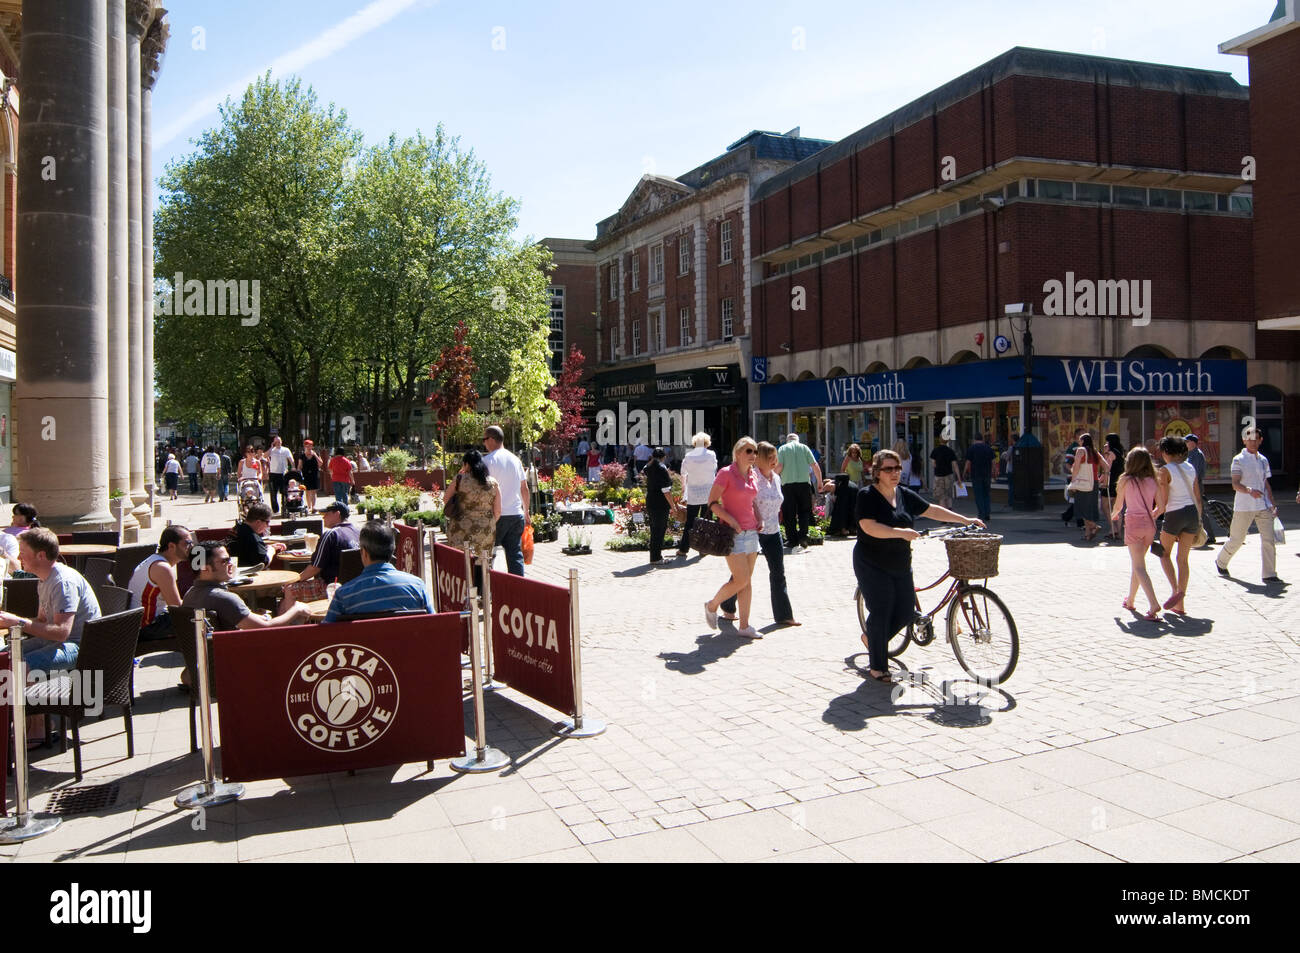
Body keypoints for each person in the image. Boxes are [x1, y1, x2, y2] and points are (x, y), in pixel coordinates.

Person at [854, 450, 982, 684]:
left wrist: (966, 520)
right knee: (882, 610)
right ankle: (878, 667)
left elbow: (932, 510)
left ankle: (871, 638)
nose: (894, 473)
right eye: (888, 469)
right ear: (877, 472)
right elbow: (868, 527)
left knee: (904, 611)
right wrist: (898, 532)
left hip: (900, 561)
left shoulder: (904, 494)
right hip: (871, 561)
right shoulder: (867, 495)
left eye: (897, 468)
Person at [0, 528, 100, 674]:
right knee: (4, 657)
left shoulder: (63, 582)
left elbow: (61, 632)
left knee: (16, 668)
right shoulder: (44, 578)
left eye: (22, 553)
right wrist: (8, 622)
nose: (19, 559)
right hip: (53, 640)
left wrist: (16, 622)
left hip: (80, 646)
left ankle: (23, 696)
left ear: (40, 555)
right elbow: (42, 620)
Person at [721, 441, 797, 626]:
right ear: (759, 459)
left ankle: (784, 615)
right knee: (743, 574)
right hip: (752, 531)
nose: (774, 461)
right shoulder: (751, 477)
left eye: (775, 457)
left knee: (778, 572)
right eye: (769, 457)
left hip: (773, 531)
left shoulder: (776, 478)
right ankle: (727, 604)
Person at [703, 437, 764, 639]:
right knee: (741, 579)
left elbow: (752, 500)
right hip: (733, 534)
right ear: (737, 453)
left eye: (754, 451)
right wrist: (733, 522)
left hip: (752, 532)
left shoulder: (752, 474)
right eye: (748, 451)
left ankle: (745, 627)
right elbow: (712, 503)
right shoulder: (726, 473)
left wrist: (759, 517)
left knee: (747, 582)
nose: (753, 455)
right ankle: (712, 605)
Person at [319, 522, 435, 622]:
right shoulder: (417, 586)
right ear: (392, 550)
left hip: (363, 647)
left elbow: (328, 636)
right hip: (409, 646)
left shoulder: (344, 594)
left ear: (364, 552)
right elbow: (433, 623)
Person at [182, 541, 311, 630]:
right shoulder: (224, 599)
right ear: (206, 568)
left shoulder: (190, 595)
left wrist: (256, 617)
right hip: (239, 659)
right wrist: (296, 609)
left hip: (211, 658)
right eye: (224, 561)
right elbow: (266, 628)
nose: (231, 564)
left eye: (230, 559)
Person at [1215, 428, 1282, 584]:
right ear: (1244, 440)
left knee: (1268, 540)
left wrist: (1272, 504)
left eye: (1256, 439)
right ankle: (1221, 562)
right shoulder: (1238, 460)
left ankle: (1269, 574)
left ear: (1260, 440)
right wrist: (1249, 491)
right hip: (1244, 506)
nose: (1253, 442)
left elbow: (1266, 484)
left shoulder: (1264, 460)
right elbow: (1235, 484)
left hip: (1263, 506)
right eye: (1249, 439)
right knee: (1237, 539)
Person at [1111, 448, 1163, 620]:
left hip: (1133, 523)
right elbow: (1161, 507)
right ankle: (1131, 600)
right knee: (1137, 563)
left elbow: (1118, 506)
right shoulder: (1154, 480)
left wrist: (1114, 515)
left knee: (1139, 566)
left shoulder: (1125, 480)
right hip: (1149, 525)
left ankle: (1153, 603)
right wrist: (1151, 514)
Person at [1155, 435, 1202, 615]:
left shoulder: (1165, 471)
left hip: (1174, 514)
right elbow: (1197, 496)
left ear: (1166, 452)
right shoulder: (1190, 467)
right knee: (1183, 560)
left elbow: (1164, 501)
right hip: (1191, 513)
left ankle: (1175, 591)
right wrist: (1198, 518)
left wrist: (1153, 514)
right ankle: (1180, 603)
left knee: (1164, 554)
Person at [444, 450, 501, 594]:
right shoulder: (492, 482)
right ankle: (481, 593)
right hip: (485, 529)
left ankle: (462, 592)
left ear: (466, 464)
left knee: (462, 560)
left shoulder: (459, 479)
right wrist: (488, 522)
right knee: (482, 561)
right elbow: (498, 510)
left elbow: (446, 500)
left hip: (460, 528)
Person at [128, 524, 193, 641]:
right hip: (148, 627)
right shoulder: (162, 568)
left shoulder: (154, 560)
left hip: (138, 623)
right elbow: (176, 608)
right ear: (171, 546)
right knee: (200, 619)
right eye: (187, 543)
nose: (191, 547)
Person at [483, 425, 529, 576]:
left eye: (484, 439)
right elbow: (524, 487)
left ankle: (487, 588)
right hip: (516, 514)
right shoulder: (515, 460)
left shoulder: (487, 461)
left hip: (496, 515)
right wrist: (526, 512)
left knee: (488, 555)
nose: (483, 443)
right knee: (515, 554)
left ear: (491, 439)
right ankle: (518, 588)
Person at [776, 433, 822, 554]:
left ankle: (792, 540)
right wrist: (819, 482)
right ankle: (803, 537)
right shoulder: (804, 448)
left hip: (787, 485)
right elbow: (815, 465)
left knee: (789, 513)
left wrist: (771, 477)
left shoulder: (782, 448)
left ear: (787, 440)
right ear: (798, 440)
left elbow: (780, 466)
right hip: (804, 484)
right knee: (804, 511)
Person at [676, 432, 718, 557]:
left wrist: (684, 489)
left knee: (690, 521)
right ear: (707, 443)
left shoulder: (689, 456)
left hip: (693, 492)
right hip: (708, 492)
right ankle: (704, 548)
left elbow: (683, 473)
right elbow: (714, 469)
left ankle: (684, 549)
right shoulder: (711, 454)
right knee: (707, 520)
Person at [297, 502, 360, 585]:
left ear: (337, 514)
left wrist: (294, 580)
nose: (323, 517)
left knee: (288, 589)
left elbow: (315, 568)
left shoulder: (331, 534)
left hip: (332, 587)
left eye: (326, 514)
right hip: (356, 584)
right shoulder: (359, 532)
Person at [1071, 433, 1107, 541]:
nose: (1079, 442)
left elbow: (1076, 466)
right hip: (1094, 483)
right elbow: (1106, 466)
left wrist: (1073, 481)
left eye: (1080, 440)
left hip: (1083, 483)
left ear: (1082, 441)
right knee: (1089, 508)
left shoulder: (1081, 450)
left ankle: (1094, 526)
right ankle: (1088, 534)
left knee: (1081, 508)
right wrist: (1102, 478)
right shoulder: (1095, 452)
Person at [1183, 434, 1217, 547]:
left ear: (1193, 443)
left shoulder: (1197, 455)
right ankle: (1201, 535)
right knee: (1196, 510)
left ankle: (1208, 536)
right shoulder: (1190, 454)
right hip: (1191, 485)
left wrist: (1194, 488)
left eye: (1187, 441)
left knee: (1200, 510)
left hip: (1195, 485)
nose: (1186, 443)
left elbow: (1195, 474)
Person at [229, 501, 286, 568]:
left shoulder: (237, 528)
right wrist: (271, 551)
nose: (268, 525)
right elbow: (263, 563)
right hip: (247, 575)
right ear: (258, 522)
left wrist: (266, 548)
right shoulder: (253, 537)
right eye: (267, 522)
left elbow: (248, 549)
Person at [644, 447, 675, 565]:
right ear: (664, 457)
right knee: (660, 530)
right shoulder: (662, 469)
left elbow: (645, 467)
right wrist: (673, 506)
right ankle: (656, 558)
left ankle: (654, 556)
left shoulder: (648, 467)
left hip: (650, 500)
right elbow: (666, 491)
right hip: (660, 503)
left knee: (654, 530)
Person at [963, 433, 997, 523]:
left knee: (979, 495)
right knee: (986, 494)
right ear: (982, 439)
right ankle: (987, 513)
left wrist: (964, 472)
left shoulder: (972, 448)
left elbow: (968, 462)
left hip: (976, 474)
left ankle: (981, 513)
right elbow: (993, 461)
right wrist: (994, 471)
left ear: (975, 439)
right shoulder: (988, 448)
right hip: (987, 474)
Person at [1102, 434, 1125, 540]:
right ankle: (1118, 531)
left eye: (1107, 442)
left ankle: (1113, 528)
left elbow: (1107, 469)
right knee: (1117, 507)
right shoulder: (1121, 452)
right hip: (1119, 482)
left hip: (1111, 483)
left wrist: (1103, 481)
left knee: (1105, 506)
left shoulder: (1111, 453)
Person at [929, 436, 961, 510]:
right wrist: (959, 478)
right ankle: (950, 510)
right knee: (949, 495)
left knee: (941, 496)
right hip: (949, 475)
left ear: (940, 440)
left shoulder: (935, 451)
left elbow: (933, 464)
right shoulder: (950, 451)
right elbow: (955, 465)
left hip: (939, 475)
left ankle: (943, 515)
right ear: (947, 441)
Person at [266, 436, 294, 515]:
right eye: (276, 442)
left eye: (279, 441)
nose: (278, 443)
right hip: (273, 474)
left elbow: (291, 459)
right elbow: (264, 456)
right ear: (274, 442)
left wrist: (293, 467)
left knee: (284, 491)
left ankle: (284, 507)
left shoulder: (286, 450)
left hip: (283, 473)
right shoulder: (272, 450)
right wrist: (271, 448)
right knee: (273, 493)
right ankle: (275, 510)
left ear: (281, 442)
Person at [298, 439, 322, 511]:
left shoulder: (316, 454)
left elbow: (320, 463)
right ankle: (309, 507)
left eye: (310, 445)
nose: (309, 447)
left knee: (314, 491)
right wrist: (298, 473)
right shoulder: (302, 456)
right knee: (307, 491)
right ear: (304, 446)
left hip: (314, 474)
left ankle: (313, 506)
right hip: (306, 475)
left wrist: (315, 455)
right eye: (307, 446)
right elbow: (299, 466)